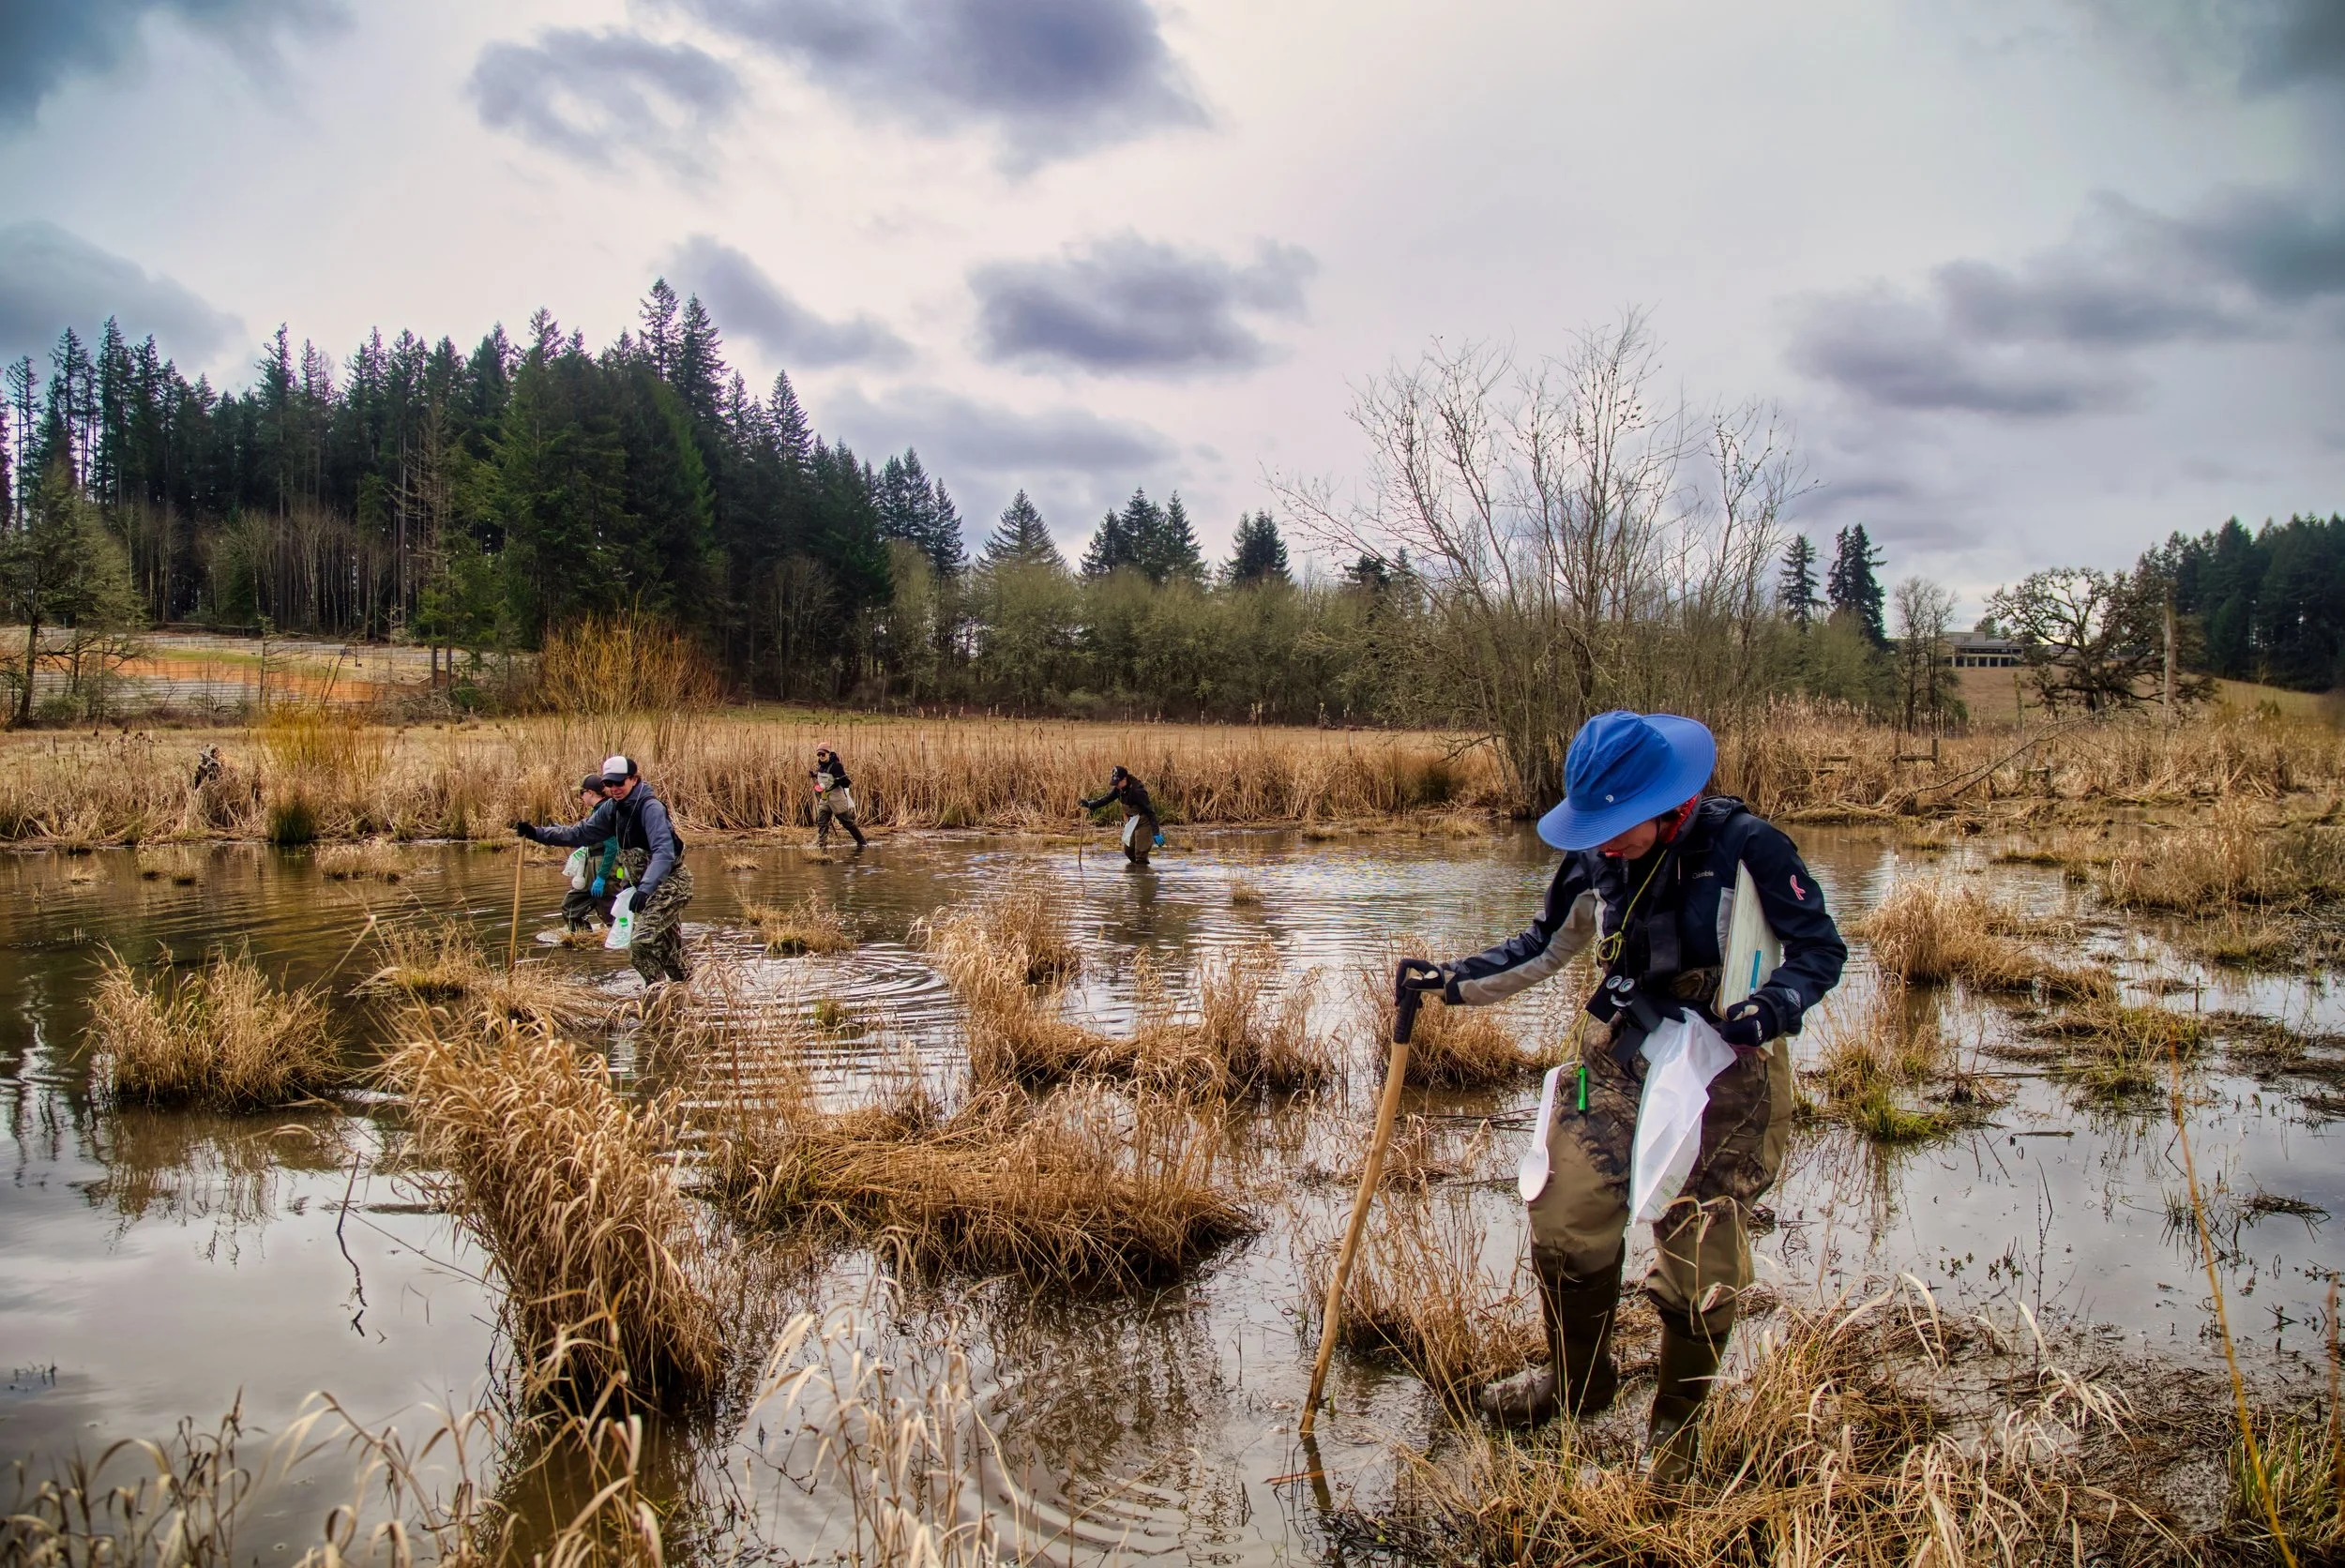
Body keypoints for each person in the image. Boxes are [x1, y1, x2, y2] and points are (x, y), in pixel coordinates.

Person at [1412, 710, 1844, 1485]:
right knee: (1564, 1214)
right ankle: (1577, 1385)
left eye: (1618, 826)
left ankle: (1676, 1431)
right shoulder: (1593, 861)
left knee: (1698, 1254)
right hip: (1622, 1054)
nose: (1604, 841)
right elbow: (1544, 946)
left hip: (1727, 1075)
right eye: (1594, 827)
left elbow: (1820, 950)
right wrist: (1451, 982)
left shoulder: (1751, 848)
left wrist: (1773, 1007)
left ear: (1669, 801)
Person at [515, 754, 694, 986]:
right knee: (670, 951)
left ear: (634, 779)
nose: (614, 788)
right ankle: (689, 996)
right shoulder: (611, 809)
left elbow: (663, 852)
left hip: (670, 884)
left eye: (619, 782)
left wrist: (646, 888)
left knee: (641, 942)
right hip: (643, 888)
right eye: (609, 784)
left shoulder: (651, 809)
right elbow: (578, 833)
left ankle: (657, 998)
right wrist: (536, 833)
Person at [556, 775, 624, 933]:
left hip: (606, 870)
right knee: (571, 908)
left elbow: (612, 847)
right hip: (590, 869)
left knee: (611, 914)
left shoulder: (605, 812)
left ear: (591, 793)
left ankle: (625, 946)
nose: (580, 797)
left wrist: (601, 877)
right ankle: (584, 940)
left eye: (582, 793)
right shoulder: (597, 812)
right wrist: (561, 833)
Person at [1081, 765, 1158, 867]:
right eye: (1115, 783)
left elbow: (1150, 811)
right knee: (1129, 851)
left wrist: (1156, 832)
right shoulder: (1119, 789)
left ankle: (1143, 878)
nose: (1116, 785)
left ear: (1124, 779)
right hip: (1132, 821)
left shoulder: (1137, 791)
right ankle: (1135, 875)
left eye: (1118, 783)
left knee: (1140, 854)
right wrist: (1090, 804)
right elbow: (1106, 799)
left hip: (1144, 821)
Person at [809, 745, 869, 849]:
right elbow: (823, 777)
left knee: (846, 822)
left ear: (828, 753)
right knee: (822, 822)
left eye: (823, 754)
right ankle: (822, 846)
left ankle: (862, 843)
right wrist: (814, 775)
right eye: (819, 754)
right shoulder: (821, 766)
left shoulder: (836, 765)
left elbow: (846, 782)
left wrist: (838, 780)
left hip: (837, 797)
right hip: (825, 797)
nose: (821, 756)